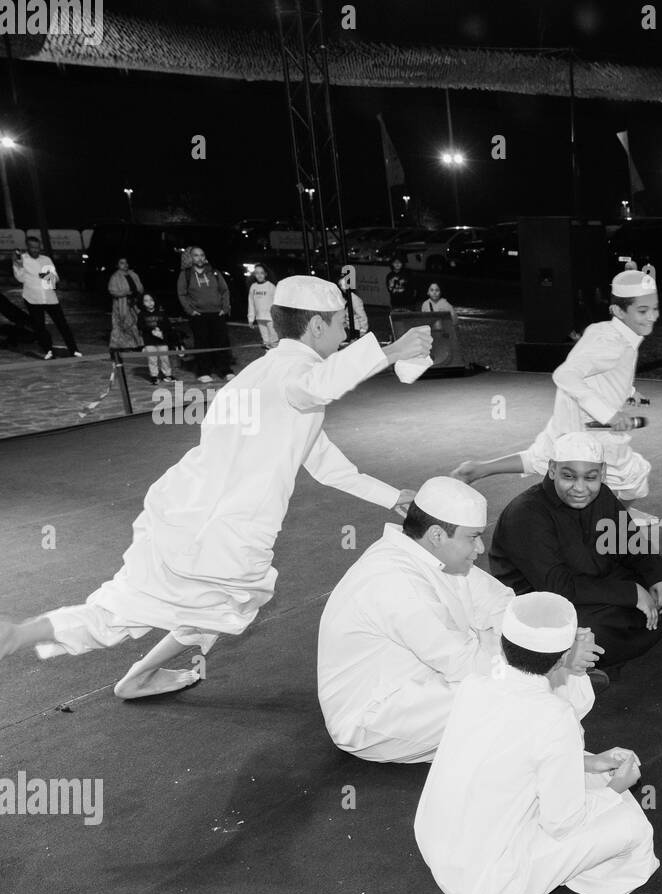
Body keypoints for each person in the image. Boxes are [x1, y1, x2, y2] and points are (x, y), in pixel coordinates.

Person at [0, 276, 433, 699]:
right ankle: (100, 660)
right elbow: (312, 389)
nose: (344, 334)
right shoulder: (294, 372)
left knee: (166, 608)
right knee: (212, 607)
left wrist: (392, 496)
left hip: (182, 511)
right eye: (341, 324)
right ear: (317, 325)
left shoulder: (261, 372)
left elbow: (324, 461)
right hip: (224, 530)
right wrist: (391, 351)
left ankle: (57, 645)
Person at [317, 476, 599, 764]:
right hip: (376, 714)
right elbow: (465, 664)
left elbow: (501, 602)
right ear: (437, 535)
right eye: (473, 537)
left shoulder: (429, 556)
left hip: (427, 677)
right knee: (519, 694)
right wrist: (556, 657)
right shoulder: (394, 579)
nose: (480, 549)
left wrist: (552, 639)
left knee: (533, 660)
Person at [414, 591, 659, 894]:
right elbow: (563, 825)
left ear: (503, 643)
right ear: (562, 659)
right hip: (487, 882)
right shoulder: (553, 716)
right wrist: (617, 788)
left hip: (436, 843)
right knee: (632, 827)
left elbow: (508, 757)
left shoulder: (475, 685)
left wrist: (591, 762)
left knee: (583, 768)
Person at [451, 268, 659, 521]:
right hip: (589, 427)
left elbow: (607, 375)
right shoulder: (611, 341)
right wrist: (610, 414)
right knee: (634, 476)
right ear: (618, 311)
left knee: (543, 455)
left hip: (572, 415)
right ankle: (615, 520)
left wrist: (631, 394)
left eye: (654, 309)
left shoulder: (610, 331)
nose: (652, 317)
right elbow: (565, 375)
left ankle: (476, 469)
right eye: (643, 311)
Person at [489, 432, 662, 678]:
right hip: (551, 599)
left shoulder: (602, 495)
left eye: (590, 478)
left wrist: (658, 578)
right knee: (587, 631)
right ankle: (657, 629)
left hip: (598, 579)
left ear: (602, 472)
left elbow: (630, 543)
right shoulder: (525, 514)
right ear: (552, 470)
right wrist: (631, 593)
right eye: (568, 476)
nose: (580, 488)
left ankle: (645, 630)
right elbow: (557, 587)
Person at [12, 234, 81, 359]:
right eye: (33, 248)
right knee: (39, 326)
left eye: (38, 247)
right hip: (33, 298)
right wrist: (19, 265)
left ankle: (74, 349)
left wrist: (44, 275)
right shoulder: (22, 259)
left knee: (62, 324)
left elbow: (55, 278)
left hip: (50, 298)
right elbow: (20, 278)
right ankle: (47, 349)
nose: (36, 250)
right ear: (28, 247)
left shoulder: (46, 259)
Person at [177, 245, 233, 383]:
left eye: (202, 255)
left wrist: (225, 308)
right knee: (202, 343)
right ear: (191, 257)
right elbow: (182, 294)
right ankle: (204, 371)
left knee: (221, 342)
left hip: (217, 313)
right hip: (199, 315)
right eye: (196, 255)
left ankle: (225, 370)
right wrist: (190, 311)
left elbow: (225, 290)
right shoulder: (186, 274)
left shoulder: (214, 272)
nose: (200, 258)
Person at [137, 292, 180, 384]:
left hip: (162, 340)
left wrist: (160, 329)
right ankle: (154, 376)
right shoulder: (141, 314)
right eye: (146, 301)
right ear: (142, 303)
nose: (149, 302)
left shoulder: (161, 313)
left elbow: (168, 325)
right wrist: (151, 330)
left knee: (165, 358)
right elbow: (140, 326)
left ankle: (168, 375)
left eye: (151, 300)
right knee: (152, 359)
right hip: (149, 341)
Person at [107, 257, 144, 351]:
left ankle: (137, 344)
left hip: (134, 303)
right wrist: (125, 292)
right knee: (124, 324)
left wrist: (138, 293)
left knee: (136, 323)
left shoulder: (133, 274)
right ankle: (125, 345)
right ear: (118, 265)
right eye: (122, 263)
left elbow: (140, 287)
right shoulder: (115, 277)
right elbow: (112, 290)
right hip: (122, 304)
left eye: (126, 262)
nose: (125, 264)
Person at [247, 264, 277, 349]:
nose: (259, 275)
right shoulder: (253, 287)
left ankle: (276, 358)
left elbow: (276, 302)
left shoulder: (271, 286)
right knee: (265, 341)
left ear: (266, 274)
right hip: (260, 318)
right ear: (254, 274)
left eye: (261, 273)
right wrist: (251, 318)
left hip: (271, 318)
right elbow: (251, 303)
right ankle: (268, 358)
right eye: (257, 273)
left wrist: (277, 316)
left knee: (274, 340)